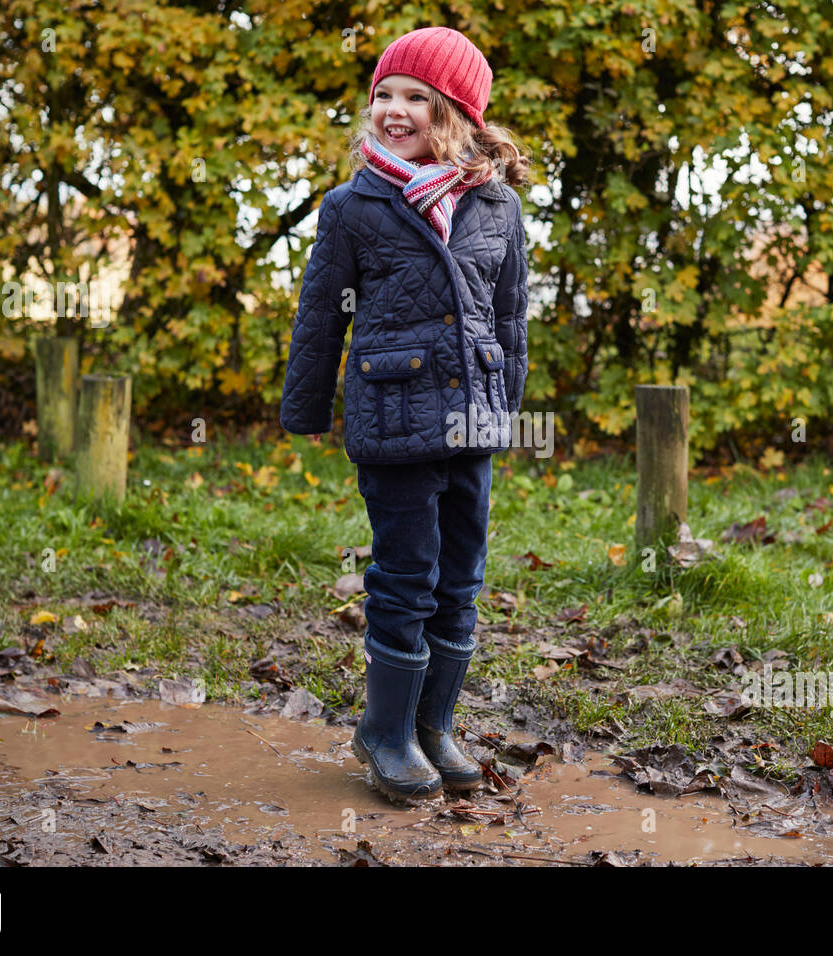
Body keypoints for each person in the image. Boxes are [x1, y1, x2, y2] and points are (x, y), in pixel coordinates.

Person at [279, 26, 531, 803]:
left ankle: (434, 725)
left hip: (472, 421)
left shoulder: (499, 207)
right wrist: (307, 405)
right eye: (383, 95)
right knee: (407, 575)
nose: (393, 110)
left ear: (454, 112)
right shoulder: (353, 207)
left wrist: (506, 411)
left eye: (414, 98)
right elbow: (321, 312)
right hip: (393, 415)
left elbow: (512, 318)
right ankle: (384, 732)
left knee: (462, 576)